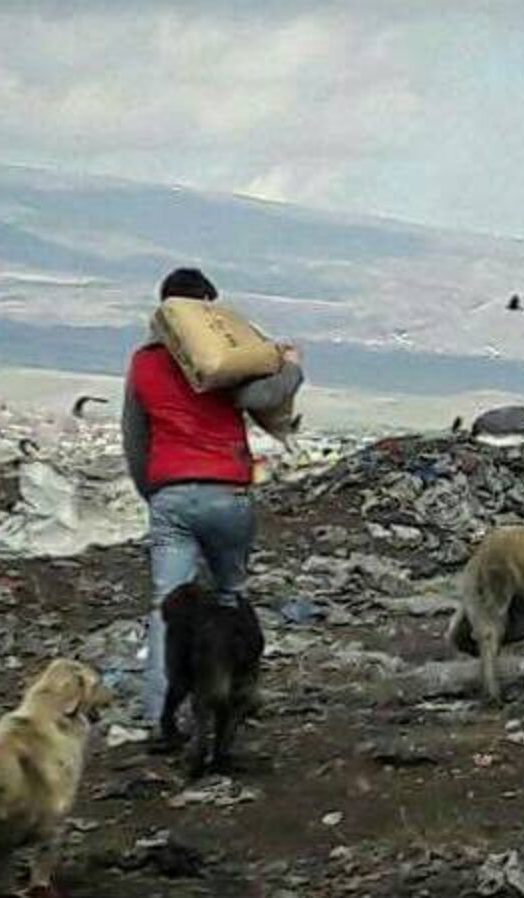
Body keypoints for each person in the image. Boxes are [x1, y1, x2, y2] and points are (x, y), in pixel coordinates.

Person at [121, 268, 303, 724]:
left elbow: (134, 438)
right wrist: (293, 368)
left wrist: (156, 493)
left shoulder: (143, 363)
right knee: (228, 600)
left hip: (170, 495)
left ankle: (160, 717)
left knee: (169, 606)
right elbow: (263, 395)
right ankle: (231, 702)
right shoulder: (221, 359)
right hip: (227, 492)